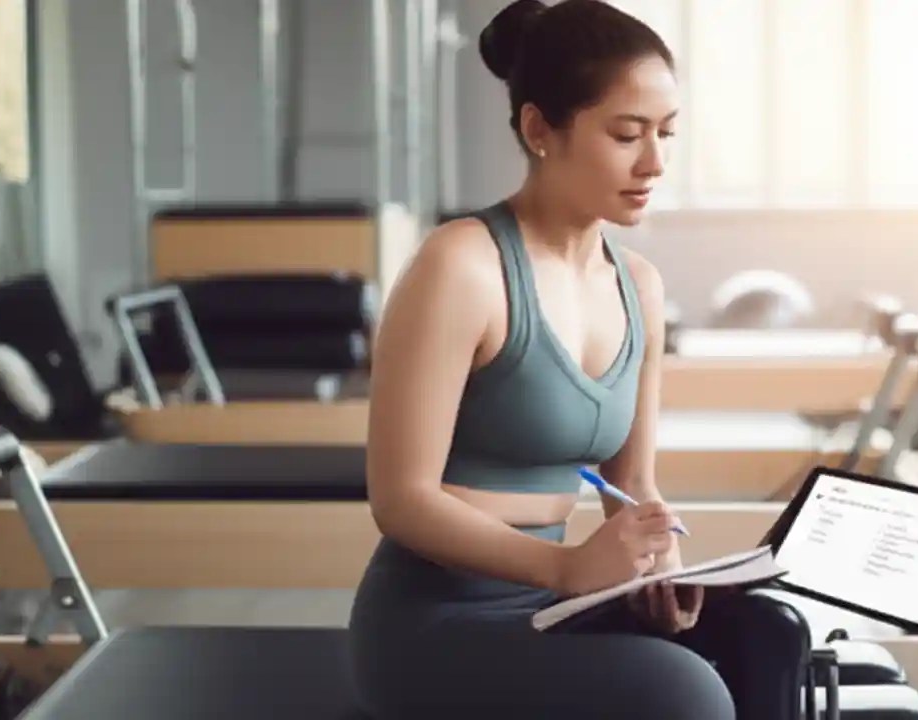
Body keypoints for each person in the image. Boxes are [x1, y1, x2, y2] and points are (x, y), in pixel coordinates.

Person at [347, 1, 811, 717]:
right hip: (438, 620)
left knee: (764, 639)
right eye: (627, 134)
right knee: (685, 694)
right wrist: (565, 567)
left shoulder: (641, 287)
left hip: (559, 600)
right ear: (539, 129)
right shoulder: (461, 266)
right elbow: (400, 499)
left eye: (666, 133)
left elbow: (635, 486)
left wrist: (664, 575)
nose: (654, 161)